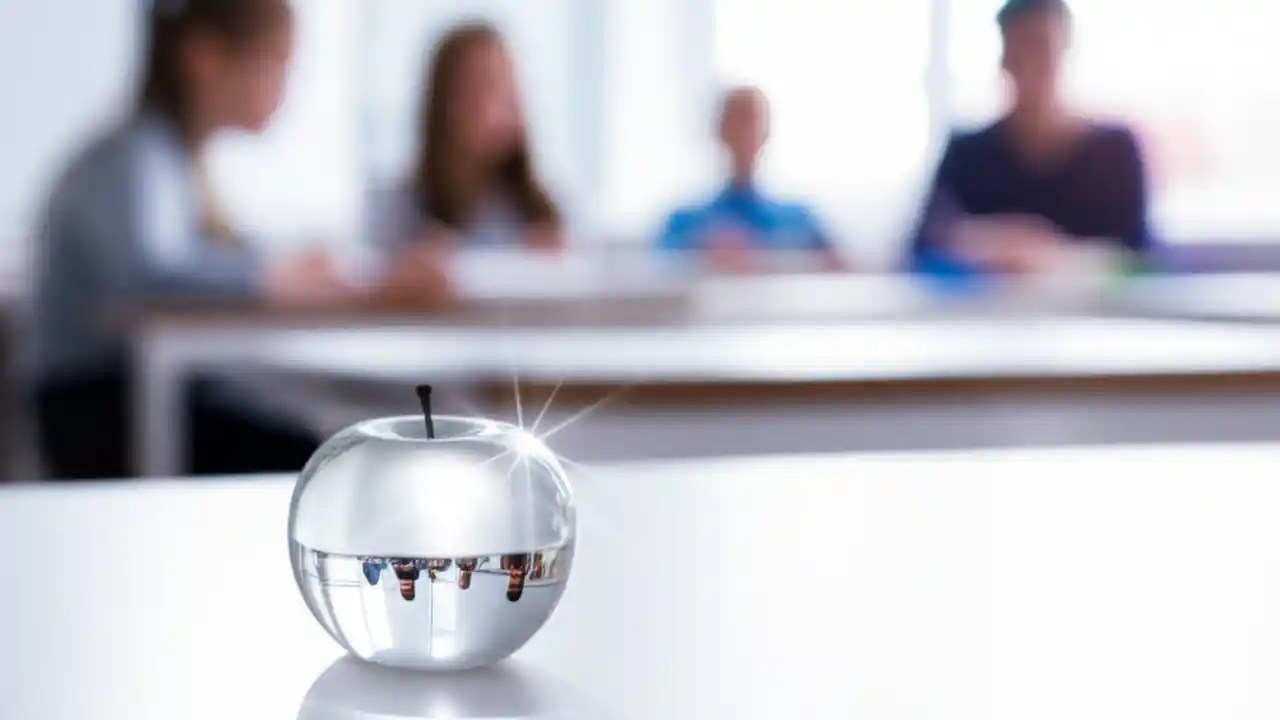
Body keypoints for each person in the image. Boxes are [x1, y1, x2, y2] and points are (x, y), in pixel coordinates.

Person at [32, 0, 346, 479]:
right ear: (204, 57)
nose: (284, 87)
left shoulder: (176, 160)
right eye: (275, 60)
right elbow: (150, 277)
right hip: (100, 404)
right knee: (306, 453)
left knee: (310, 426)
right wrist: (270, 277)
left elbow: (207, 256)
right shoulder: (137, 155)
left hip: (127, 392)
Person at [909, 0, 1152, 277]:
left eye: (1041, 47)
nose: (1029, 62)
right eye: (1019, 47)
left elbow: (1139, 260)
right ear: (1003, 55)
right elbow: (920, 248)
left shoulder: (1115, 151)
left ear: (1065, 49)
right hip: (985, 315)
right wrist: (983, 242)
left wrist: (1049, 255)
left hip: (1094, 315)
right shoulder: (966, 153)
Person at [372, 23, 564, 261]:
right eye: (483, 86)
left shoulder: (547, 212)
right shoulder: (397, 207)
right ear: (445, 102)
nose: (502, 103)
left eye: (508, 85)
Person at [658, 87, 841, 272]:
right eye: (736, 123)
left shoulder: (800, 220)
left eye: (752, 123)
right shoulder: (685, 223)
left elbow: (841, 265)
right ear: (720, 131)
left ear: (766, 132)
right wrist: (702, 253)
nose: (744, 135)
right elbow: (656, 274)